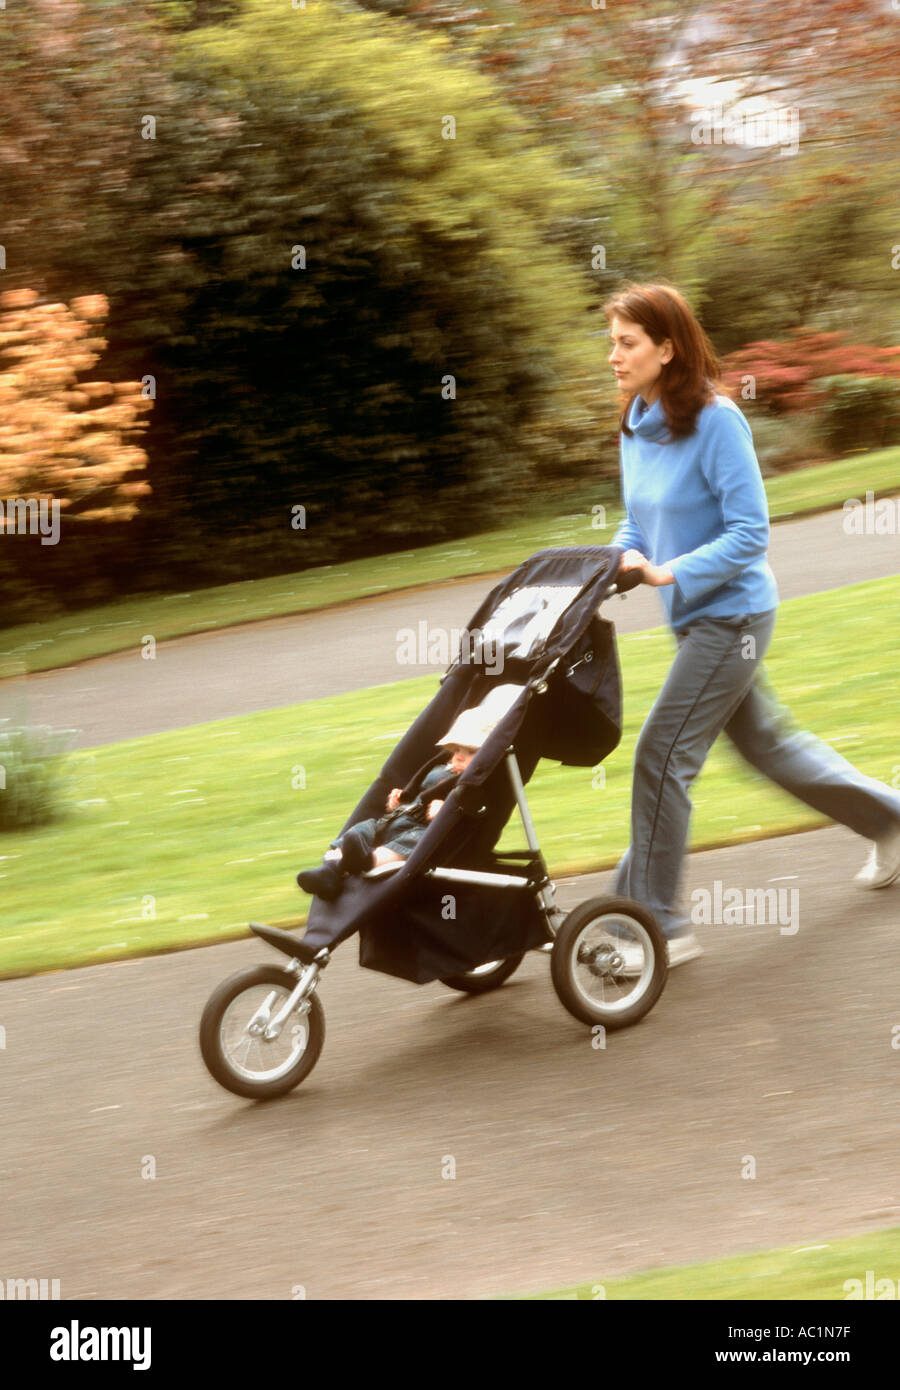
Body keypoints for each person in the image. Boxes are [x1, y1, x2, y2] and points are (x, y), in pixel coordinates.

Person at [604, 281, 900, 966]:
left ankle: (658, 927)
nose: (613, 357)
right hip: (691, 620)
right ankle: (890, 819)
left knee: (662, 754)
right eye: (612, 344)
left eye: (627, 343)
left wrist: (669, 571)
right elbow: (638, 519)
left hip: (732, 616)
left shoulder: (717, 421)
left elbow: (749, 533)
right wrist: (622, 554)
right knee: (768, 745)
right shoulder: (636, 424)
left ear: (667, 347)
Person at [296, 706, 492, 901]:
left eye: (470, 751)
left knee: (409, 842)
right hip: (396, 820)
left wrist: (446, 811)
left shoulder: (474, 785)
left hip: (421, 830)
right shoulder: (441, 770)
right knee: (362, 829)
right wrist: (398, 803)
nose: (458, 756)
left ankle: (367, 862)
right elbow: (417, 794)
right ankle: (329, 870)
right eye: (456, 749)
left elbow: (474, 813)